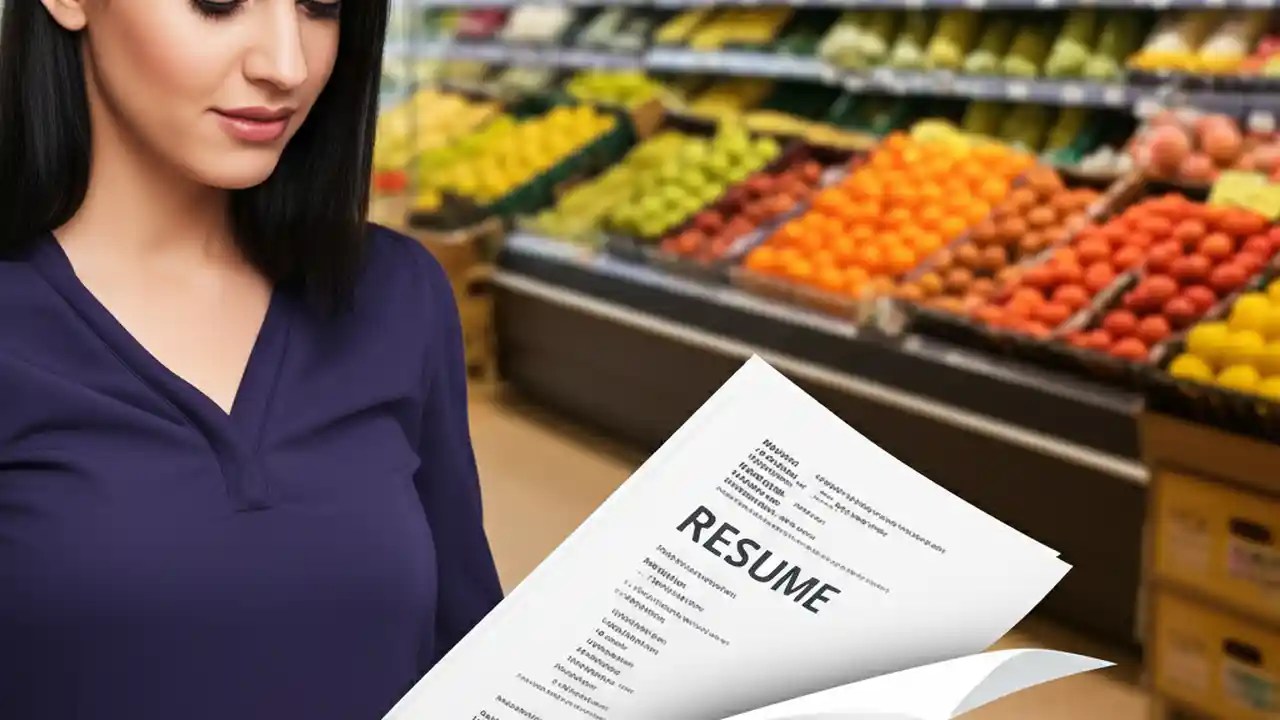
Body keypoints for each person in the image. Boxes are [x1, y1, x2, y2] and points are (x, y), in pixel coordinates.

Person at [0, 1, 504, 718]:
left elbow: (474, 654)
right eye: (218, 2)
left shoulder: (398, 295)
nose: (287, 66)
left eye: (322, 7)